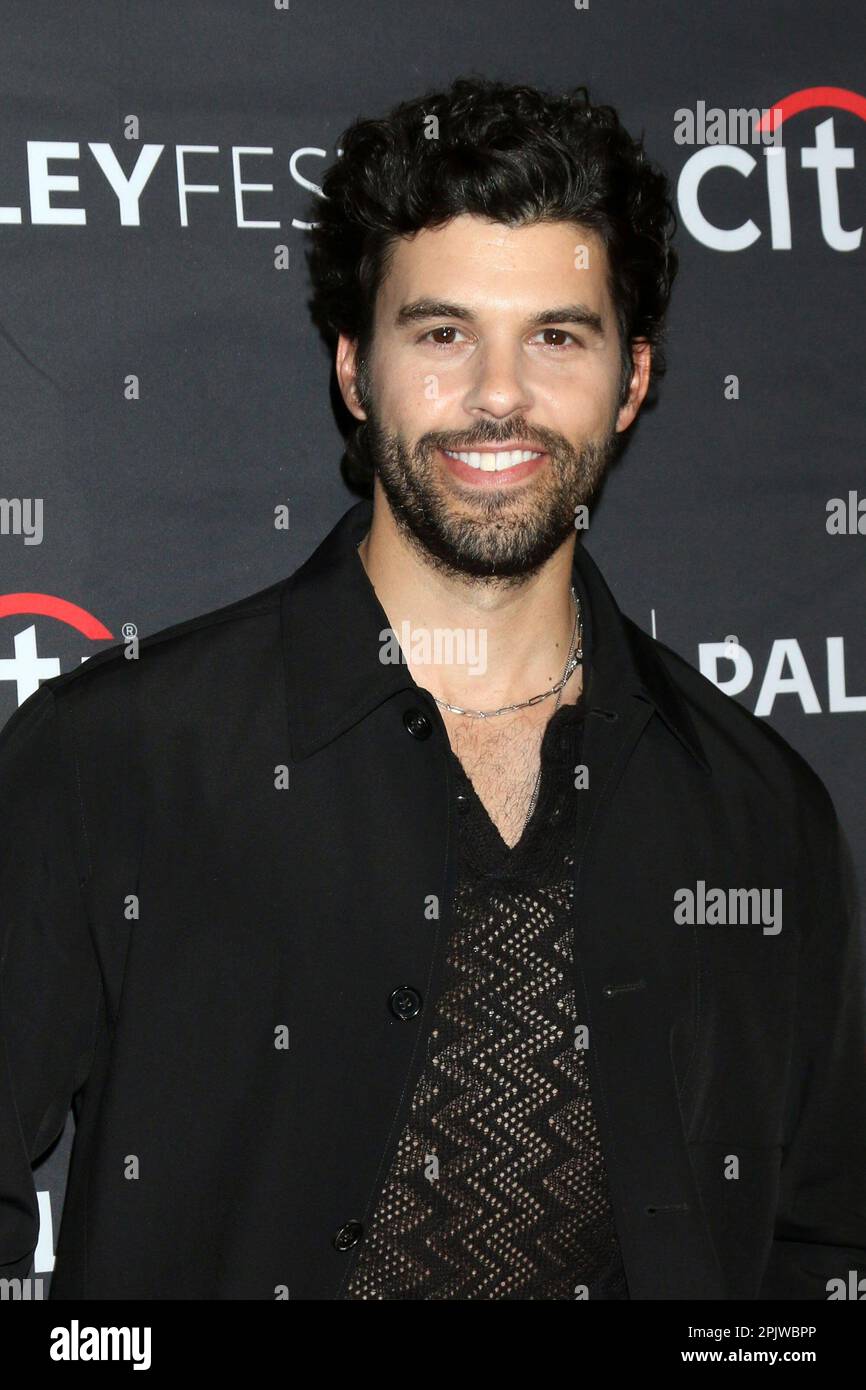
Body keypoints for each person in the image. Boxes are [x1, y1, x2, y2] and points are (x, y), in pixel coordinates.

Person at [1, 76, 864, 1300]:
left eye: (556, 336)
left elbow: (821, 1246)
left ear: (630, 381)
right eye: (441, 332)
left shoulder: (758, 811)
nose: (498, 396)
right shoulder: (120, 759)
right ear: (356, 369)